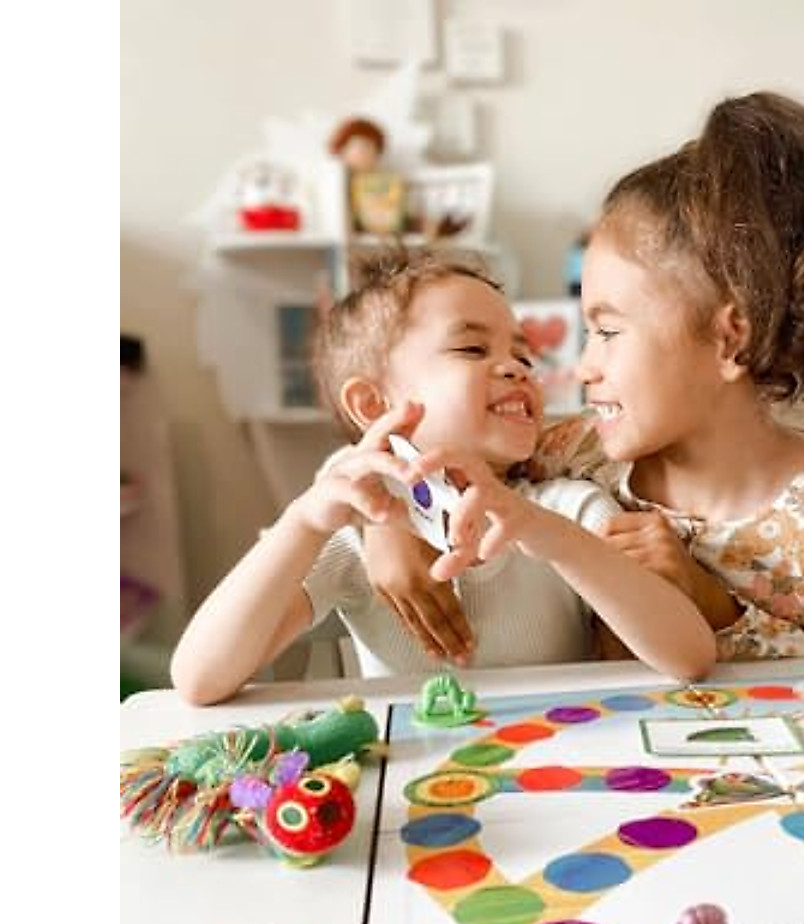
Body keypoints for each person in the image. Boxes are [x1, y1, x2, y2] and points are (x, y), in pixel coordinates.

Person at [360, 91, 804, 664]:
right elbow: (425, 456)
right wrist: (387, 526)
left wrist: (708, 600)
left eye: (607, 331)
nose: (583, 366)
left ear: (729, 340)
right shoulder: (569, 454)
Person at [170, 250, 716, 705]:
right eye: (472, 349)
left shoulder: (571, 509)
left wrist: (543, 531)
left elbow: (690, 656)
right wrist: (302, 524)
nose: (516, 367)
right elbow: (198, 680)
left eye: (524, 355)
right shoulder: (355, 540)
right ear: (373, 404)